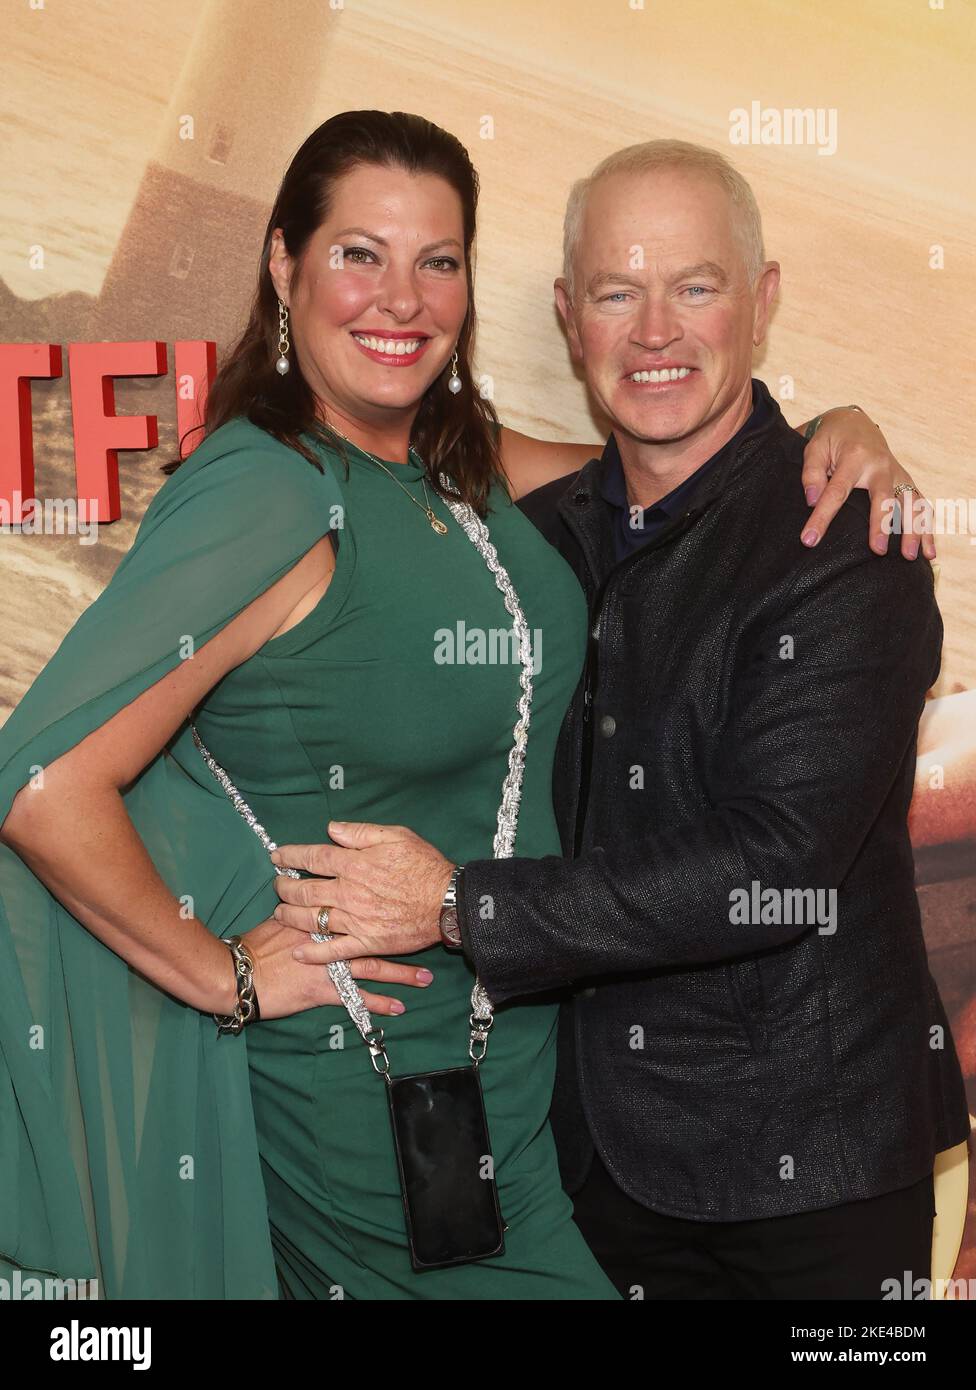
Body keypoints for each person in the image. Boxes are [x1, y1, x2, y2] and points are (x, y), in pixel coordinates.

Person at [0, 114, 925, 1300]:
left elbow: (660, 472)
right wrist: (222, 974)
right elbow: (42, 780)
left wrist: (841, 433)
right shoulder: (270, 489)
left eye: (436, 260)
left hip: (589, 1111)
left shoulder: (458, 468)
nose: (401, 297)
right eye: (358, 255)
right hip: (377, 1088)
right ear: (283, 265)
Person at [270, 139, 970, 1301]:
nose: (654, 331)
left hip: (805, 1191)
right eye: (615, 291)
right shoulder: (538, 539)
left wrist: (451, 903)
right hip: (577, 1171)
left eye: (694, 287)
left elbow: (774, 855)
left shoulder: (845, 539)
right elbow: (367, 427)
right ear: (565, 315)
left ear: (762, 303)